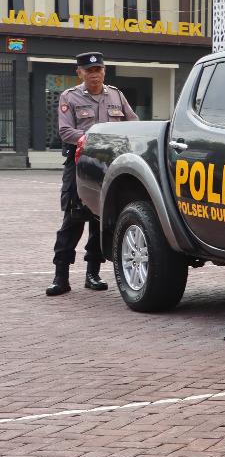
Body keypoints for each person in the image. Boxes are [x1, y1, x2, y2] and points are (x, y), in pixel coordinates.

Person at [48, 51, 136, 296]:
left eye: (98, 70)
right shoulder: (70, 97)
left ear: (104, 71)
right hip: (80, 163)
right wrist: (96, 140)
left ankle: (93, 274)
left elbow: (133, 123)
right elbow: (66, 131)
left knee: (100, 219)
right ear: (80, 73)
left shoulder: (116, 95)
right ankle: (61, 277)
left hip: (108, 166)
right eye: (89, 71)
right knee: (73, 219)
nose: (94, 75)